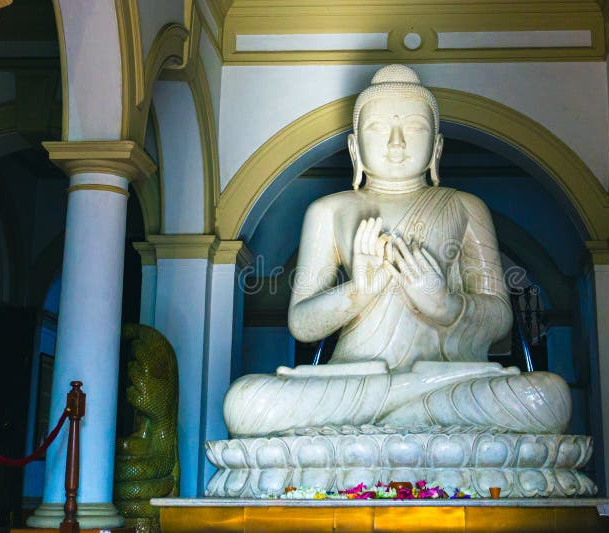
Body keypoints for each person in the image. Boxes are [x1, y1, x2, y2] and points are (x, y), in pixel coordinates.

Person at [223, 65, 570, 438]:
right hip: (355, 382)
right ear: (354, 148)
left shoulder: (465, 207)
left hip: (445, 380)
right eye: (377, 129)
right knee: (247, 403)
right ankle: (411, 413)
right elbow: (302, 323)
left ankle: (391, 416)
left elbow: (500, 316)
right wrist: (358, 292)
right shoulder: (329, 211)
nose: (396, 143)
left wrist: (445, 305)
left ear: (437, 148)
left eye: (415, 128)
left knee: (546, 398)